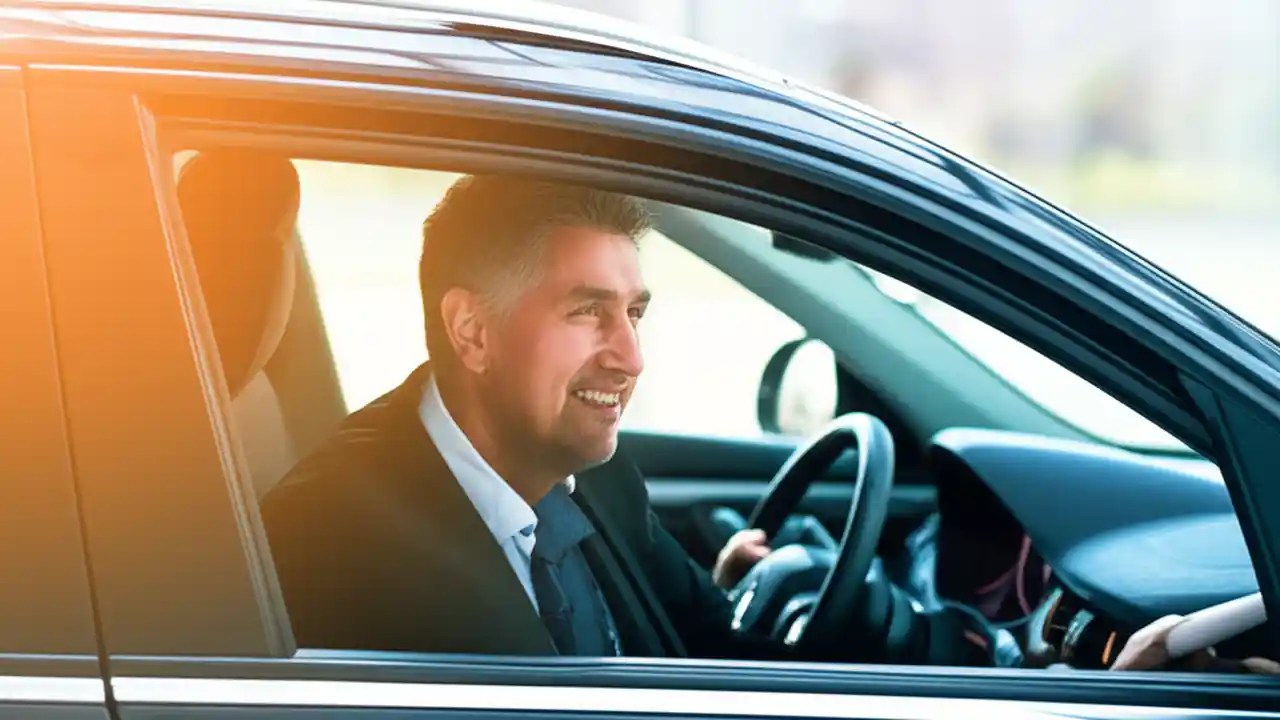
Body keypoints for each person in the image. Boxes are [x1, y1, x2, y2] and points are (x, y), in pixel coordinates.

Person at [260, 175, 961, 661]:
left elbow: (698, 631)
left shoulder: (590, 470)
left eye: (634, 313)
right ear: (472, 330)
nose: (631, 357)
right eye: (587, 311)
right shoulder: (333, 548)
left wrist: (729, 589)